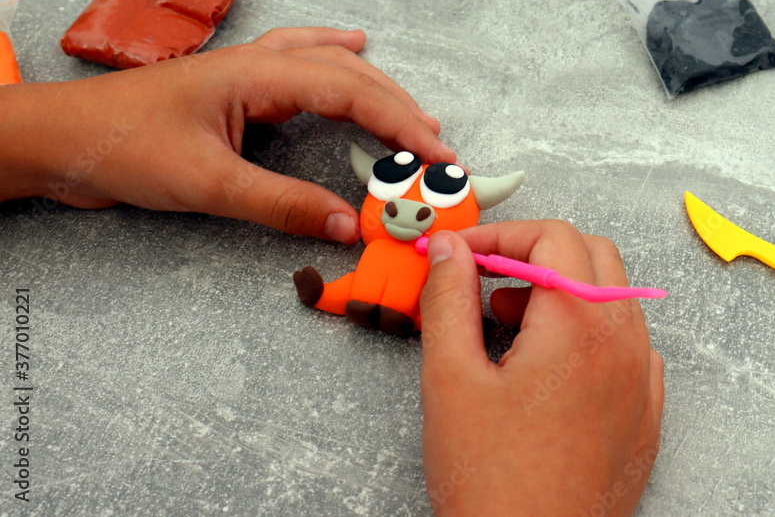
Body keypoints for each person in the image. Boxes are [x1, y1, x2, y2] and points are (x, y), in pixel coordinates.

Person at [0, 27, 664, 514]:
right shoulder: (384, 235)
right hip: (369, 276)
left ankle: (382, 307)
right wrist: (40, 138)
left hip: (403, 291)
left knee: (391, 290)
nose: (406, 215)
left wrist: (42, 139)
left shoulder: (427, 251)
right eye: (396, 198)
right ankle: (338, 295)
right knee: (355, 285)